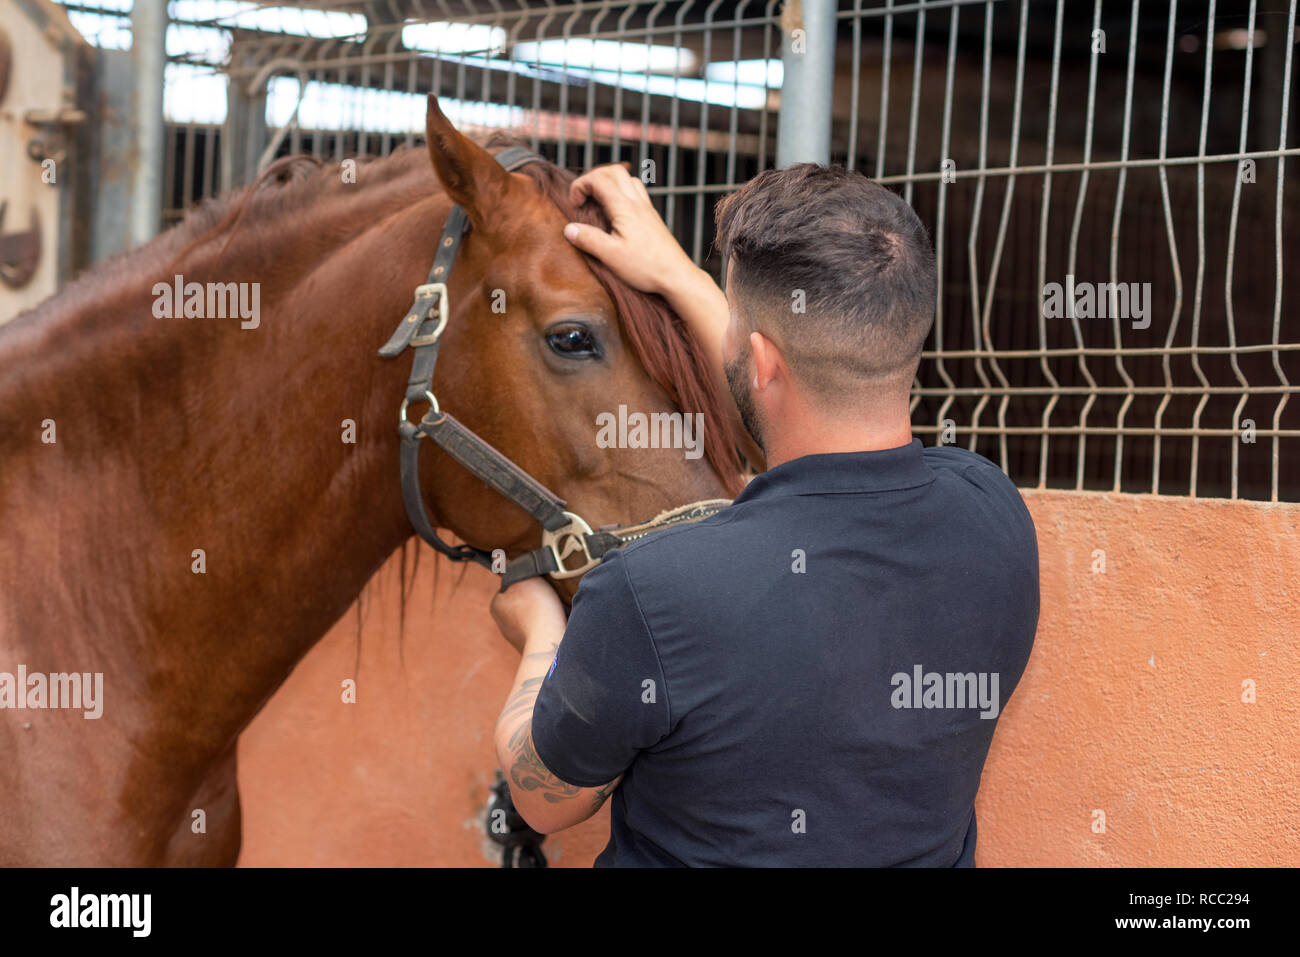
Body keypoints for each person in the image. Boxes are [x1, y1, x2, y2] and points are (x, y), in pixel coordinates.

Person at [489, 161, 1040, 866]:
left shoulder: (652, 594)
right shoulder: (993, 516)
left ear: (759, 362)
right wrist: (680, 276)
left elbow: (544, 798)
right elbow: (807, 414)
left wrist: (539, 626)